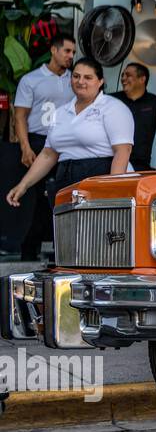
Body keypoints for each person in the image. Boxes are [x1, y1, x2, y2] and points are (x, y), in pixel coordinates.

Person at [6, 58, 134, 220]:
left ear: (100, 81)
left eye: (88, 77)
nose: (81, 82)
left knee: (98, 236)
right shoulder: (60, 113)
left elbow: (123, 152)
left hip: (101, 176)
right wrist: (23, 185)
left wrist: (113, 193)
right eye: (76, 76)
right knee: (66, 238)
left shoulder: (113, 108)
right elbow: (48, 154)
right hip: (66, 182)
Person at [12, 31, 76, 260]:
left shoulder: (75, 80)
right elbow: (20, 116)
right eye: (67, 51)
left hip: (66, 143)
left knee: (60, 195)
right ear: (54, 50)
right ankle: (29, 249)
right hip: (39, 142)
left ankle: (59, 249)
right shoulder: (31, 80)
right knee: (35, 197)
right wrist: (25, 147)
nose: (71, 56)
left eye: (73, 52)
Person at [111, 62, 156, 171]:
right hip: (112, 163)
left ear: (142, 79)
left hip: (142, 166)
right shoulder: (111, 100)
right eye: (122, 75)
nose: (123, 78)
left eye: (128, 75)